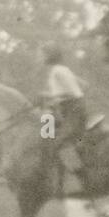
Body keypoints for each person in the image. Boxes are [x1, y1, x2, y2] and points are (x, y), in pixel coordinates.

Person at [39, 44, 89, 194]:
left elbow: (75, 93)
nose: (40, 57)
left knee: (59, 143)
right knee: (46, 133)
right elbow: (85, 85)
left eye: (42, 54)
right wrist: (55, 97)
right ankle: (57, 183)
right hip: (70, 110)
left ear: (49, 55)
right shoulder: (63, 69)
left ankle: (83, 180)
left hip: (74, 111)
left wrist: (54, 97)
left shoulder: (57, 71)